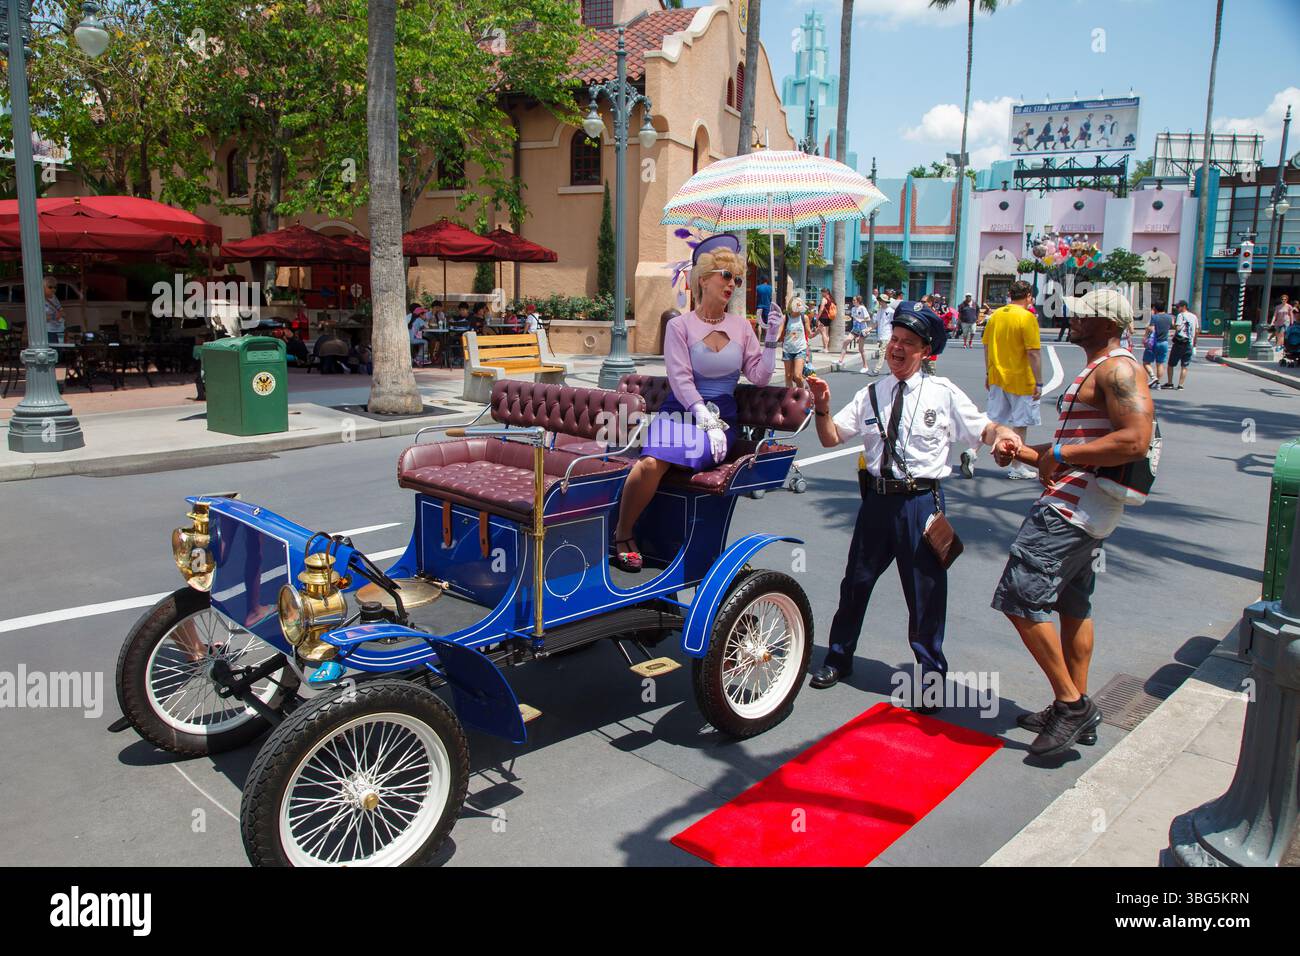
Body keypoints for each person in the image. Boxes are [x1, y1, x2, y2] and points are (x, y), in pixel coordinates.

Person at [805, 301, 1022, 699]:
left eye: (908, 343)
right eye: (894, 340)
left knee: (924, 594)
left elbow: (985, 429)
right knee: (855, 584)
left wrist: (1006, 434)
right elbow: (831, 437)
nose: (897, 348)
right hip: (876, 503)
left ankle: (930, 677)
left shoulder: (943, 393)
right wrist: (821, 406)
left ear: (925, 352)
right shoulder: (872, 394)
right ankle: (838, 657)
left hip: (920, 504)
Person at [992, 288, 1154, 757]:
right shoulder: (1100, 367)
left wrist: (1061, 454)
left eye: (1085, 315)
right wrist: (1022, 452)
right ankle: (1073, 703)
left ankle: (1071, 703)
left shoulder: (1119, 369)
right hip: (1084, 505)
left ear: (1109, 325)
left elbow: (1135, 439)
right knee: (1072, 602)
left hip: (1070, 510)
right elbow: (1078, 444)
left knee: (1021, 599)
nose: (1073, 318)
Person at [611, 234, 781, 572]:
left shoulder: (743, 328)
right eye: (726, 275)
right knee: (649, 464)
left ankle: (663, 535)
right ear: (703, 279)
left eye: (737, 277)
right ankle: (623, 534)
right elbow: (680, 378)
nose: (733, 283)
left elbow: (760, 376)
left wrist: (772, 340)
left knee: (670, 459)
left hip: (722, 418)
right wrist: (702, 417)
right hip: (683, 410)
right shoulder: (679, 325)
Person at [963, 280, 1042, 480]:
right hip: (1021, 379)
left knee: (992, 421)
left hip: (998, 376)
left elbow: (987, 346)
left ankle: (972, 452)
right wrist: (1039, 381)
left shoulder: (996, 316)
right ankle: (1017, 466)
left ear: (1009, 294)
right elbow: (1033, 352)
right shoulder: (1027, 317)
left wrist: (989, 374)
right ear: (1028, 296)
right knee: (1020, 424)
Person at [781, 295, 814, 388]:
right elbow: (779, 332)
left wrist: (819, 331)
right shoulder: (786, 318)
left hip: (800, 348)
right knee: (788, 376)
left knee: (797, 376)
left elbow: (810, 334)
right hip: (787, 349)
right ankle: (790, 397)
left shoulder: (804, 318)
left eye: (800, 305)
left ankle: (803, 393)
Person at [1165, 300, 1197, 390]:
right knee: (1184, 365)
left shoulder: (1180, 315)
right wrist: (1195, 344)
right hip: (1189, 343)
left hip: (1180, 343)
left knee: (1171, 364)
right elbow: (1197, 330)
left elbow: (1178, 328)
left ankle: (1170, 382)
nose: (1177, 308)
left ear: (1184, 307)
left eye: (1178, 307)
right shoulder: (1194, 316)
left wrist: (1173, 323)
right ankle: (1181, 385)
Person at [836, 294, 872, 372]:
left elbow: (868, 318)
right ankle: (840, 361)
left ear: (858, 301)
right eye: (853, 300)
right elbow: (853, 318)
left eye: (854, 300)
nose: (853, 301)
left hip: (863, 330)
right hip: (855, 329)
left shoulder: (862, 308)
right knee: (846, 342)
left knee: (861, 349)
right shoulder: (853, 309)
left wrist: (861, 320)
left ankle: (865, 366)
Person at [1145, 305, 1173, 388]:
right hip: (1164, 342)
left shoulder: (1154, 317)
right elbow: (1172, 325)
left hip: (1154, 342)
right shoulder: (1169, 317)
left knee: (1146, 362)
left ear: (1155, 308)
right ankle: (1158, 383)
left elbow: (1151, 329)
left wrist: (1146, 334)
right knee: (1160, 364)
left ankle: (1153, 377)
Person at [44, 278, 65, 343]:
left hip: (60, 330)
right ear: (43, 287)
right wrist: (55, 316)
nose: (53, 289)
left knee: (59, 351)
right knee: (53, 351)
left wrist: (61, 314)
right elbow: (41, 318)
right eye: (50, 287)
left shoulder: (54, 297)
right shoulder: (40, 300)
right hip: (49, 331)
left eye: (55, 287)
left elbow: (62, 311)